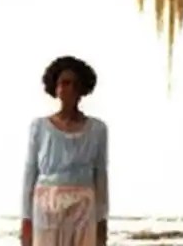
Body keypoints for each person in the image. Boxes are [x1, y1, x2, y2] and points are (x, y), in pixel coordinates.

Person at [21, 56, 109, 246]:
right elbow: (30, 173)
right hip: (46, 206)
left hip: (83, 208)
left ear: (82, 89)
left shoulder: (97, 129)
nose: (69, 89)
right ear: (55, 88)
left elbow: (101, 176)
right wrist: (26, 219)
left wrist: (101, 221)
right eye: (64, 83)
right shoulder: (39, 127)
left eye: (74, 84)